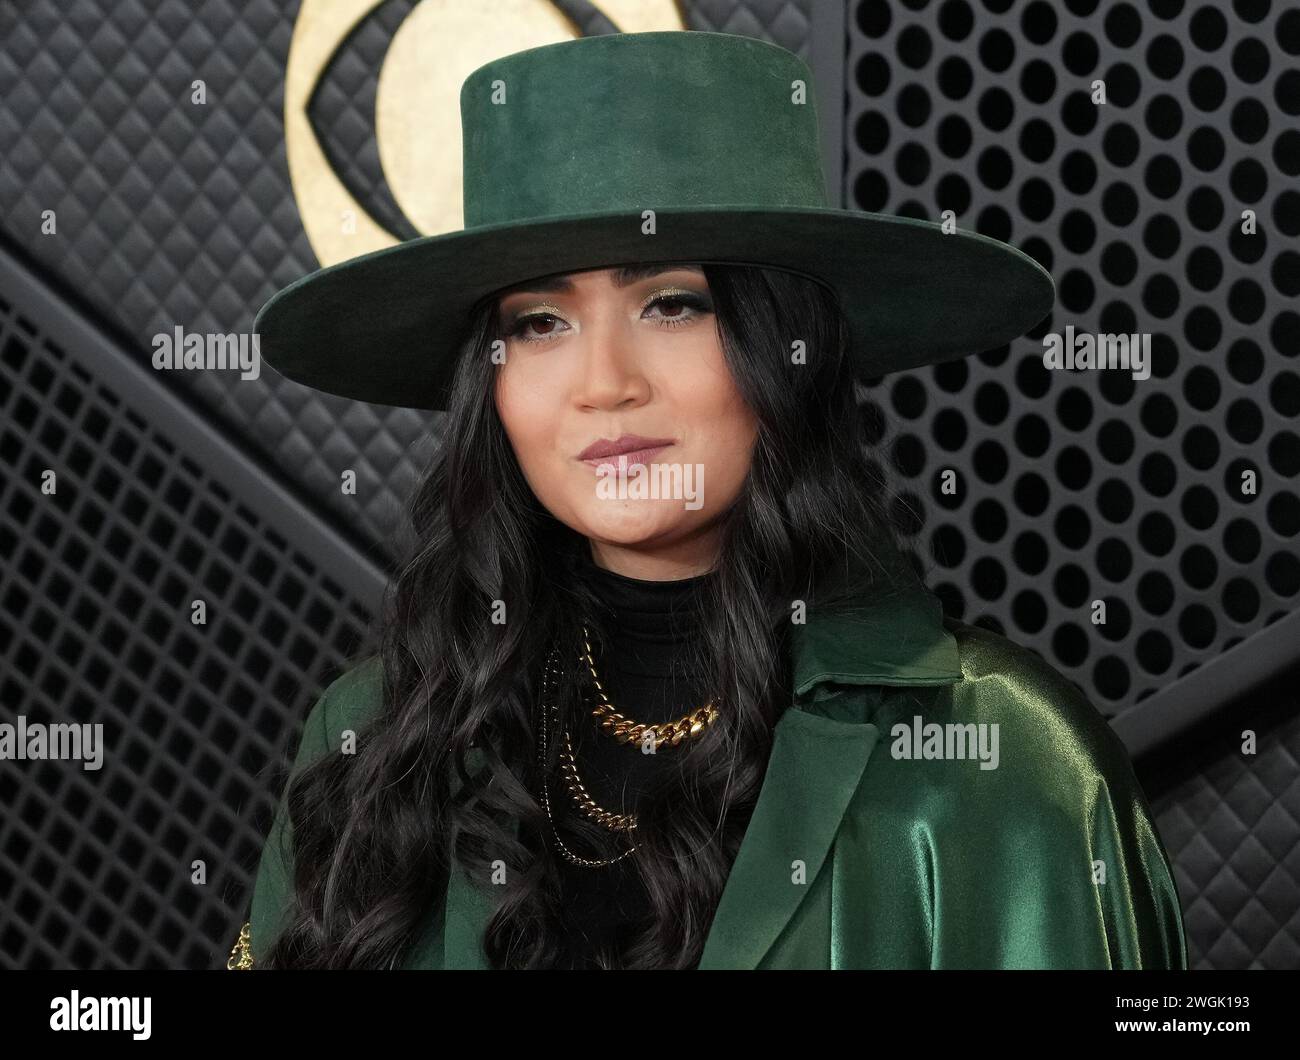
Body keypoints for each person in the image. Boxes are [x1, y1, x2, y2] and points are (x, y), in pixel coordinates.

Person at [229, 30, 1187, 970]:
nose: (603, 383)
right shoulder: (377, 736)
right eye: (541, 323)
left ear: (785, 347)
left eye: (673, 304)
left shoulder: (1006, 759)